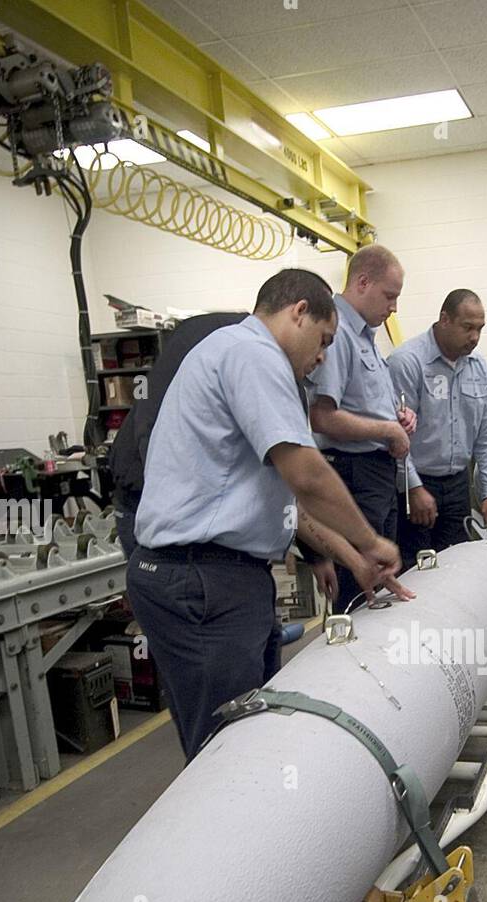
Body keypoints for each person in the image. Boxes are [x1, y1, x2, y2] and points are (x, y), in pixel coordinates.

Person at [126, 267, 409, 762]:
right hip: (202, 582)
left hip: (219, 579)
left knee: (251, 738)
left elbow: (288, 505)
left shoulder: (236, 357)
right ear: (298, 312)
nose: (322, 357)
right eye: (322, 341)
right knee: (226, 756)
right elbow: (308, 475)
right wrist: (371, 541)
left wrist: (352, 558)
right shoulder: (252, 355)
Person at [308, 245, 426, 611]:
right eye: (390, 296)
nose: (394, 307)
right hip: (353, 475)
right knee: (360, 588)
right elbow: (322, 416)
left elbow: (365, 407)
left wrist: (398, 420)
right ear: (362, 282)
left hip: (376, 474)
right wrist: (386, 432)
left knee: (381, 580)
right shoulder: (339, 333)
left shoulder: (365, 338)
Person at [109, 311, 249, 559]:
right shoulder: (227, 341)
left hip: (146, 496)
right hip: (141, 497)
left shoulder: (221, 337)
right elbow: (148, 422)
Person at [388, 289, 487, 567]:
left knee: (456, 568)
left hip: (457, 485)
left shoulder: (481, 371)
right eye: (467, 327)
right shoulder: (407, 362)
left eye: (480, 329)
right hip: (414, 484)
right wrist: (413, 488)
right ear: (444, 319)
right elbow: (392, 434)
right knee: (414, 570)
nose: (475, 337)